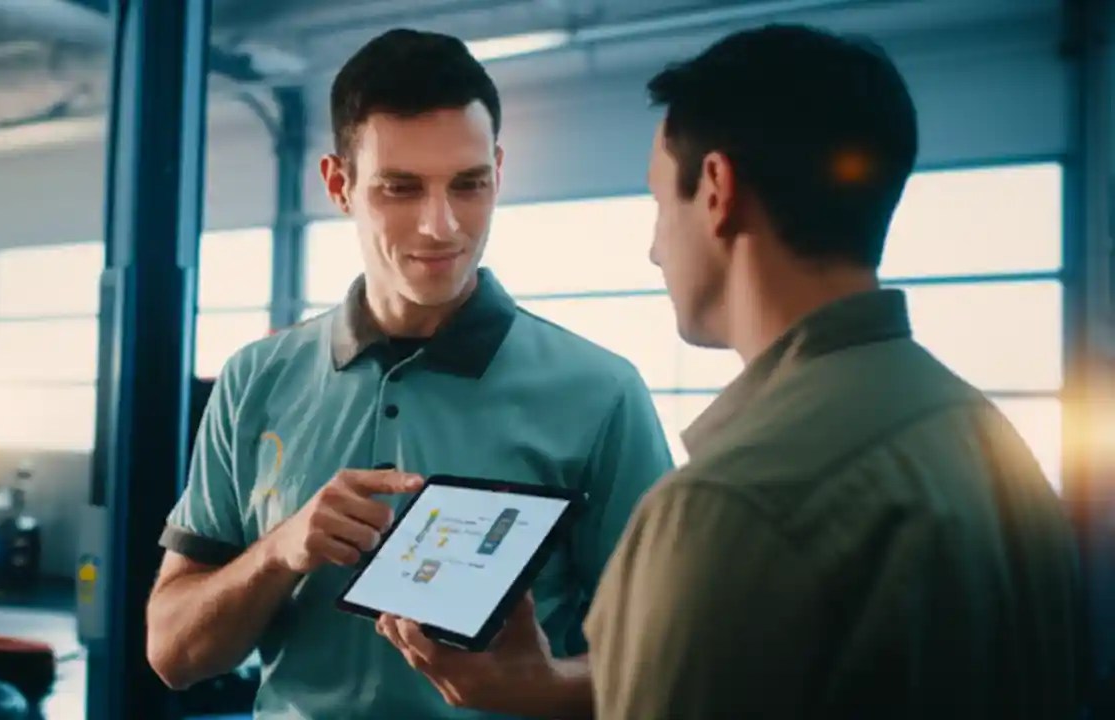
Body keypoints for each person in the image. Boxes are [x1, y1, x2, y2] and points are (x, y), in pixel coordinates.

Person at [378, 23, 1083, 720]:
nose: (655, 249)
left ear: (717, 189)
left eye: (661, 203)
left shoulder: (727, 505)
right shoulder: (989, 442)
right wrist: (545, 689)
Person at [144, 27, 673, 720]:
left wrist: (542, 686)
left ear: (498, 173)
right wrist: (277, 553)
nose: (440, 226)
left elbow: (673, 664)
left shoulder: (601, 394)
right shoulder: (254, 380)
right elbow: (174, 655)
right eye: (400, 188)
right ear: (339, 185)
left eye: (468, 184)